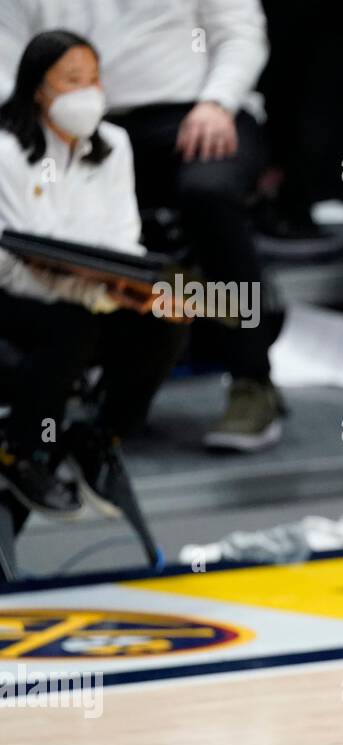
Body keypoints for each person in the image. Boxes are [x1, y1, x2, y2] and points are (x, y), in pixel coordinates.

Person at [0, 0, 286, 453]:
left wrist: (218, 101)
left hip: (195, 112)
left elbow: (240, 33)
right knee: (45, 228)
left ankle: (253, 380)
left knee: (208, 193)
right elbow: (5, 56)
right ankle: (73, 401)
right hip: (75, 122)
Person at [0, 31, 186, 515]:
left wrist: (131, 287)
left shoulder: (115, 145)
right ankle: (24, 451)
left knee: (169, 314)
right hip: (16, 291)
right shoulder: (5, 151)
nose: (87, 91)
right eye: (72, 80)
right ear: (38, 88)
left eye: (94, 79)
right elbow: (16, 254)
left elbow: (122, 237)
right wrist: (94, 293)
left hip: (95, 288)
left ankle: (101, 435)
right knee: (71, 323)